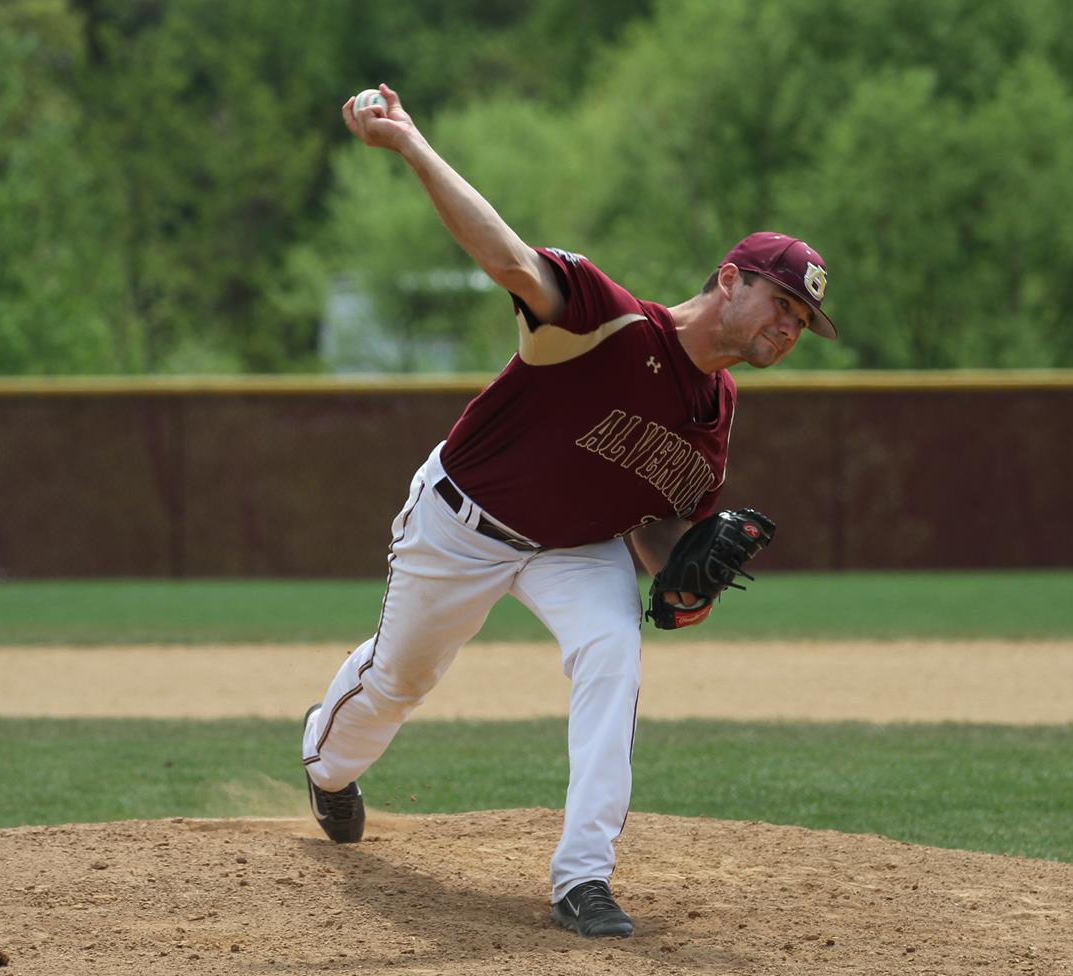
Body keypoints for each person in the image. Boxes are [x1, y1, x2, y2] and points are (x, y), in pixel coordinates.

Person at [301, 83, 838, 939]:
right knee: (402, 679)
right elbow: (509, 261)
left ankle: (583, 876)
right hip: (463, 521)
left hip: (577, 547)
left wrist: (684, 574)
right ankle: (327, 768)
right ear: (731, 281)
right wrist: (409, 143)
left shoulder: (719, 414)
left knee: (613, 654)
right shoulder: (606, 320)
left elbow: (654, 526)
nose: (790, 328)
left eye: (803, 321)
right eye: (782, 303)